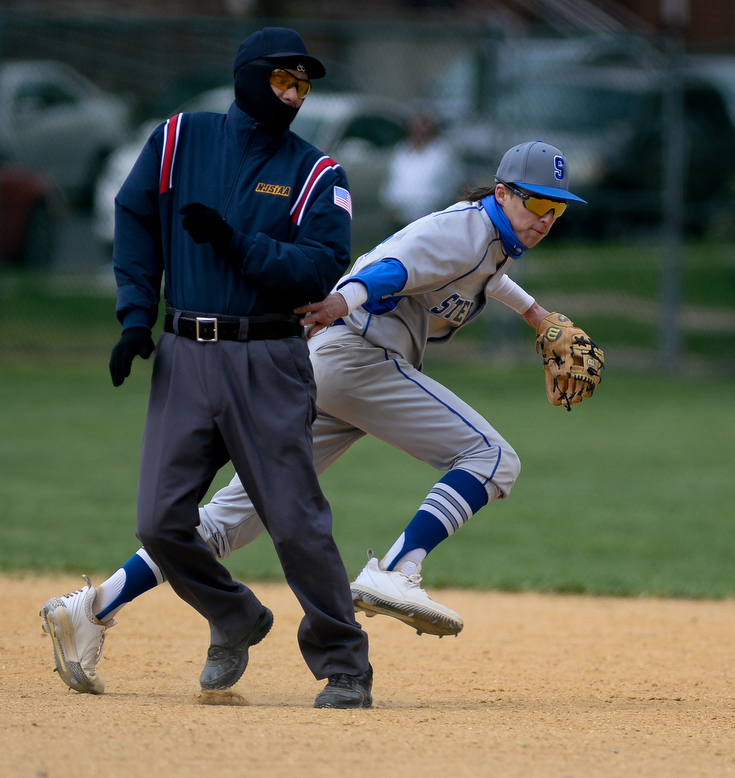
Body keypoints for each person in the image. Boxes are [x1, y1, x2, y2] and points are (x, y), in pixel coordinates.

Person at [41, 139, 591, 697]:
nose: (546, 219)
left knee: (231, 520)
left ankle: (90, 607)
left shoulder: (489, 240)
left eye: (557, 208)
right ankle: (396, 569)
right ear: (502, 193)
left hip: (330, 371)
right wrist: (343, 300)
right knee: (492, 457)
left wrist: (536, 313)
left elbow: (480, 275)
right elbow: (389, 267)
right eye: (537, 204)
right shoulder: (465, 232)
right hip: (360, 357)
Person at [40, 27, 373, 710]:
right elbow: (133, 214)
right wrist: (136, 314)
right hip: (184, 354)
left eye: (304, 85)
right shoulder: (176, 140)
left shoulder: (317, 172)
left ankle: (344, 665)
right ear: (248, 77)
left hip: (269, 358)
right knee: (160, 523)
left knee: (295, 521)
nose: (295, 94)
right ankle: (235, 616)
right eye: (283, 80)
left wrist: (235, 242)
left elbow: (317, 266)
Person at [379, 107, 461, 228]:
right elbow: (391, 181)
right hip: (400, 218)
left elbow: (452, 184)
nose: (421, 130)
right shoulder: (401, 151)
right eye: (417, 125)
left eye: (425, 125)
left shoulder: (442, 153)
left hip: (429, 218)